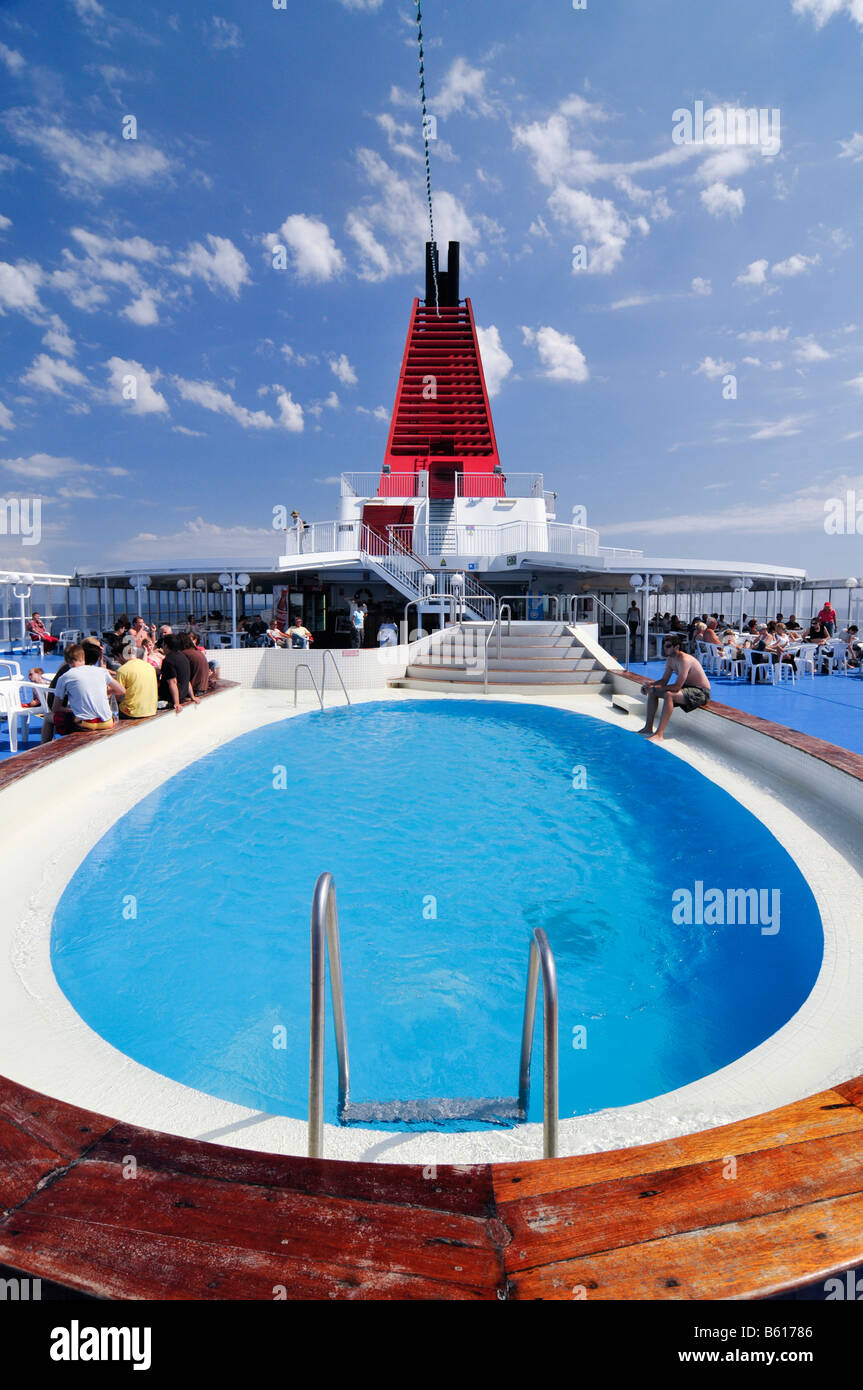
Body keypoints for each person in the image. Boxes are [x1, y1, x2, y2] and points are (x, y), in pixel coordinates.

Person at [638, 634, 711, 743]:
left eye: (668, 646)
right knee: (654, 692)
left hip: (701, 692)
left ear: (676, 647)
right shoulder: (670, 660)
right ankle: (648, 727)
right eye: (664, 646)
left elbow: (676, 687)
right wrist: (650, 686)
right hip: (688, 688)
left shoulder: (684, 660)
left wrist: (655, 688)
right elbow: (664, 681)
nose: (664, 648)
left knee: (669, 695)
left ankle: (659, 734)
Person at [51, 644, 124, 733]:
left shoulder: (65, 677)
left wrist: (72, 710)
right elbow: (121, 690)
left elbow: (56, 708)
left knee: (48, 718)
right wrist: (105, 692)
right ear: (83, 656)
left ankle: (44, 745)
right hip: (107, 722)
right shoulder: (101, 671)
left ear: (66, 660)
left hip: (85, 724)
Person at [158, 634, 199, 713]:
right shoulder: (183, 657)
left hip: (168, 698)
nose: (162, 647)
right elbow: (186, 679)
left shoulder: (168, 660)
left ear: (166, 646)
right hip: (182, 696)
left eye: (163, 645)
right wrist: (192, 696)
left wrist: (176, 703)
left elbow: (172, 683)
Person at [116, 645, 158, 719]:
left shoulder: (122, 670)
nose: (117, 661)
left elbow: (118, 694)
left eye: (116, 658)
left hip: (132, 712)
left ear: (120, 655)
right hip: (151, 709)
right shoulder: (149, 666)